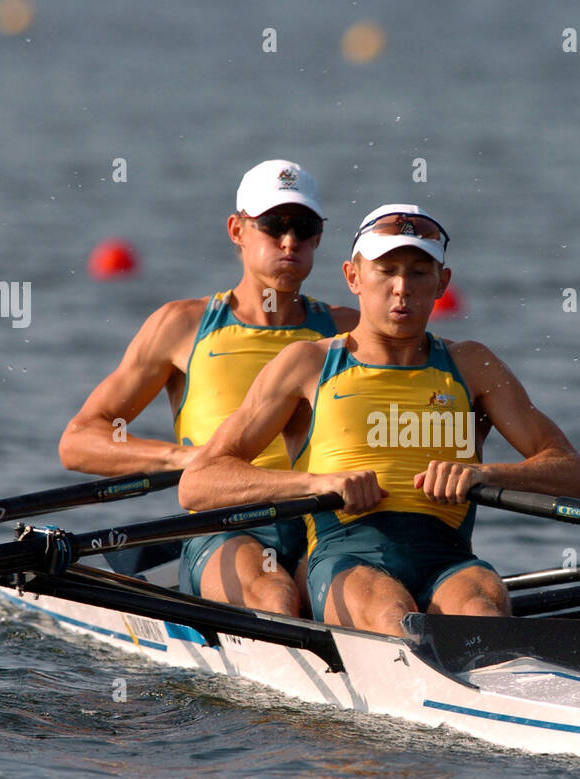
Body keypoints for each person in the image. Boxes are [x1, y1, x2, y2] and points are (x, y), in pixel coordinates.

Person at [179, 203, 580, 635]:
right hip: (348, 558)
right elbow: (200, 481)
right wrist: (317, 483)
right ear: (353, 277)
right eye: (386, 270)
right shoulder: (306, 365)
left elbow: (577, 477)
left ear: (442, 284)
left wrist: (482, 473)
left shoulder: (473, 365)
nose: (402, 288)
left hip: (448, 559)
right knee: (390, 614)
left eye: (419, 272)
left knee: (482, 609)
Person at [58, 160, 357, 615]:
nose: (289, 241)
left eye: (304, 227)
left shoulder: (349, 330)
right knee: (276, 596)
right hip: (230, 526)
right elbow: (79, 440)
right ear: (237, 230)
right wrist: (188, 459)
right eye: (273, 225)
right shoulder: (183, 326)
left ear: (319, 237)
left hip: (329, 522)